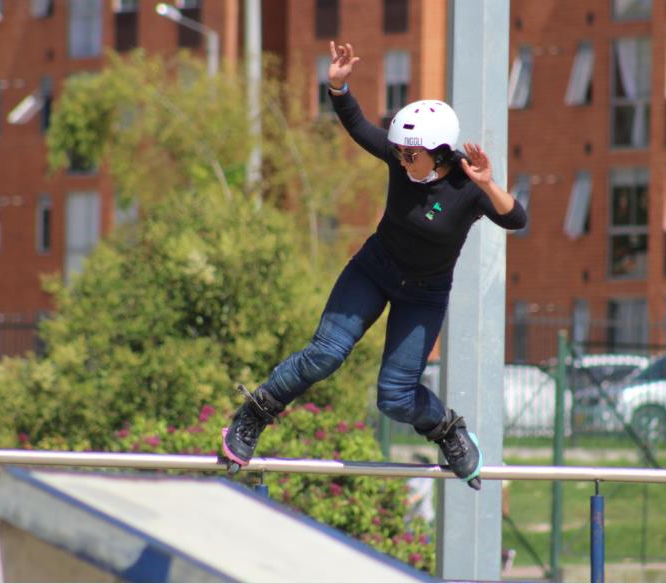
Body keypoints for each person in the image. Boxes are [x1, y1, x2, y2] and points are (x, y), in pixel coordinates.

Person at [222, 41, 527, 491]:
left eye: (411, 155)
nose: (402, 161)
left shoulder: (468, 186)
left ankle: (446, 429)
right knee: (324, 354)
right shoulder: (399, 160)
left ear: (439, 152)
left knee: (394, 397)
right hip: (374, 269)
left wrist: (489, 183)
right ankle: (254, 414)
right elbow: (359, 126)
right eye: (400, 153)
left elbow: (516, 219)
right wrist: (338, 86)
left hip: (423, 294)